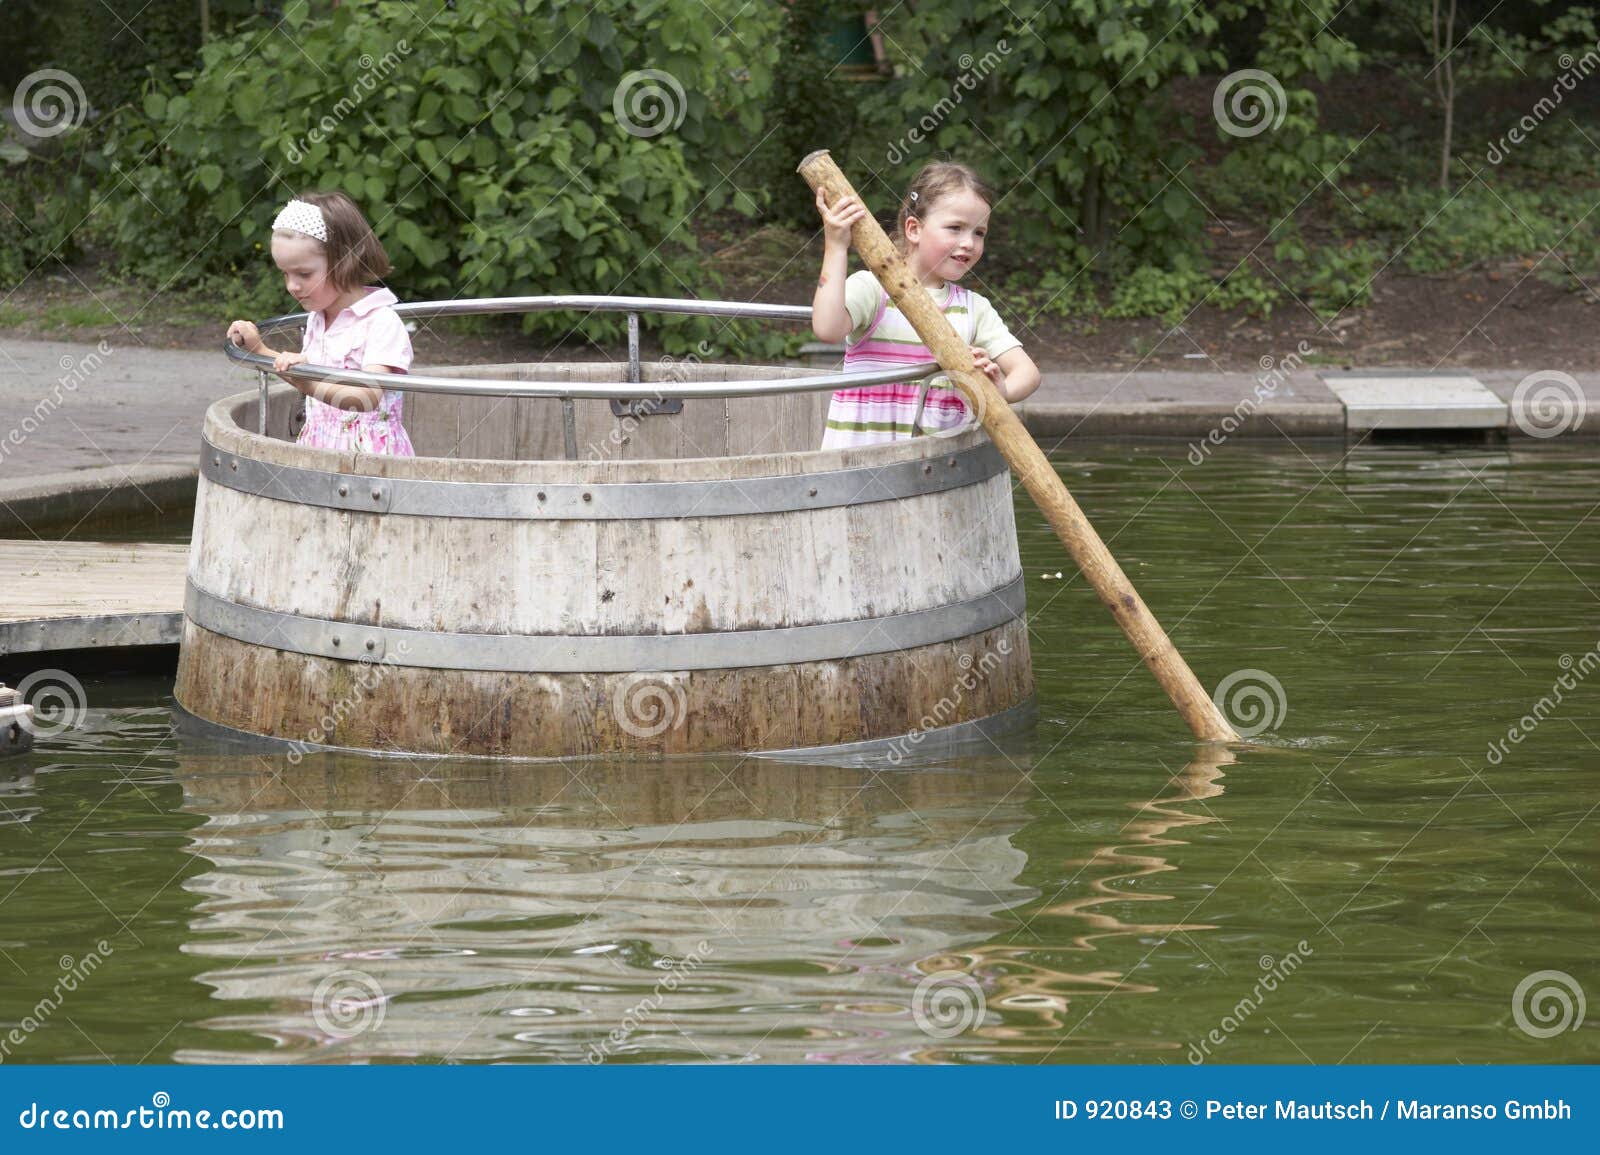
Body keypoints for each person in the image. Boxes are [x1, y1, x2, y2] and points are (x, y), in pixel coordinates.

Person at [811, 161, 1040, 449]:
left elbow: (1028, 373)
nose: (969, 243)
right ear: (914, 229)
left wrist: (1001, 391)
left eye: (979, 232)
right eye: (955, 228)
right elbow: (827, 328)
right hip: (860, 463)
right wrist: (835, 248)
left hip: (936, 468)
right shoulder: (874, 289)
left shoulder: (973, 308)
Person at [226, 191, 415, 456]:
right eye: (285, 274)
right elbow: (306, 377)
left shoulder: (380, 321)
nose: (292, 286)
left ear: (345, 260)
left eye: (304, 274)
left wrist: (307, 384)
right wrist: (260, 350)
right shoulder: (319, 318)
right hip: (320, 449)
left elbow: (366, 397)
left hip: (368, 460)